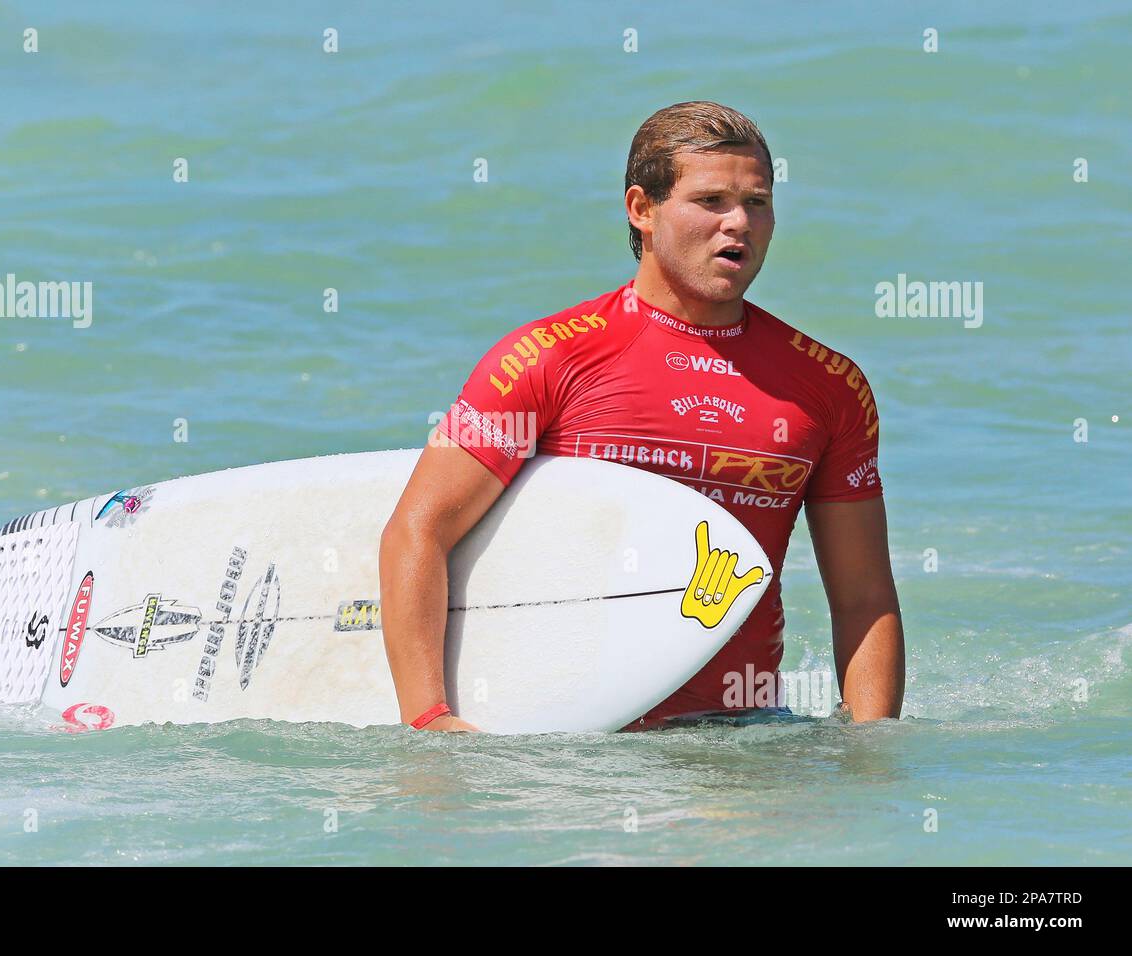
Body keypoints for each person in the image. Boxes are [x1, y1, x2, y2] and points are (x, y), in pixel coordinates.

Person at [379, 101, 904, 732]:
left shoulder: (828, 386)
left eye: (757, 202)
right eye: (710, 201)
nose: (738, 223)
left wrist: (870, 755)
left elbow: (863, 599)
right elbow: (419, 531)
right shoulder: (548, 358)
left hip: (744, 736)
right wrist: (430, 721)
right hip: (573, 739)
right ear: (642, 209)